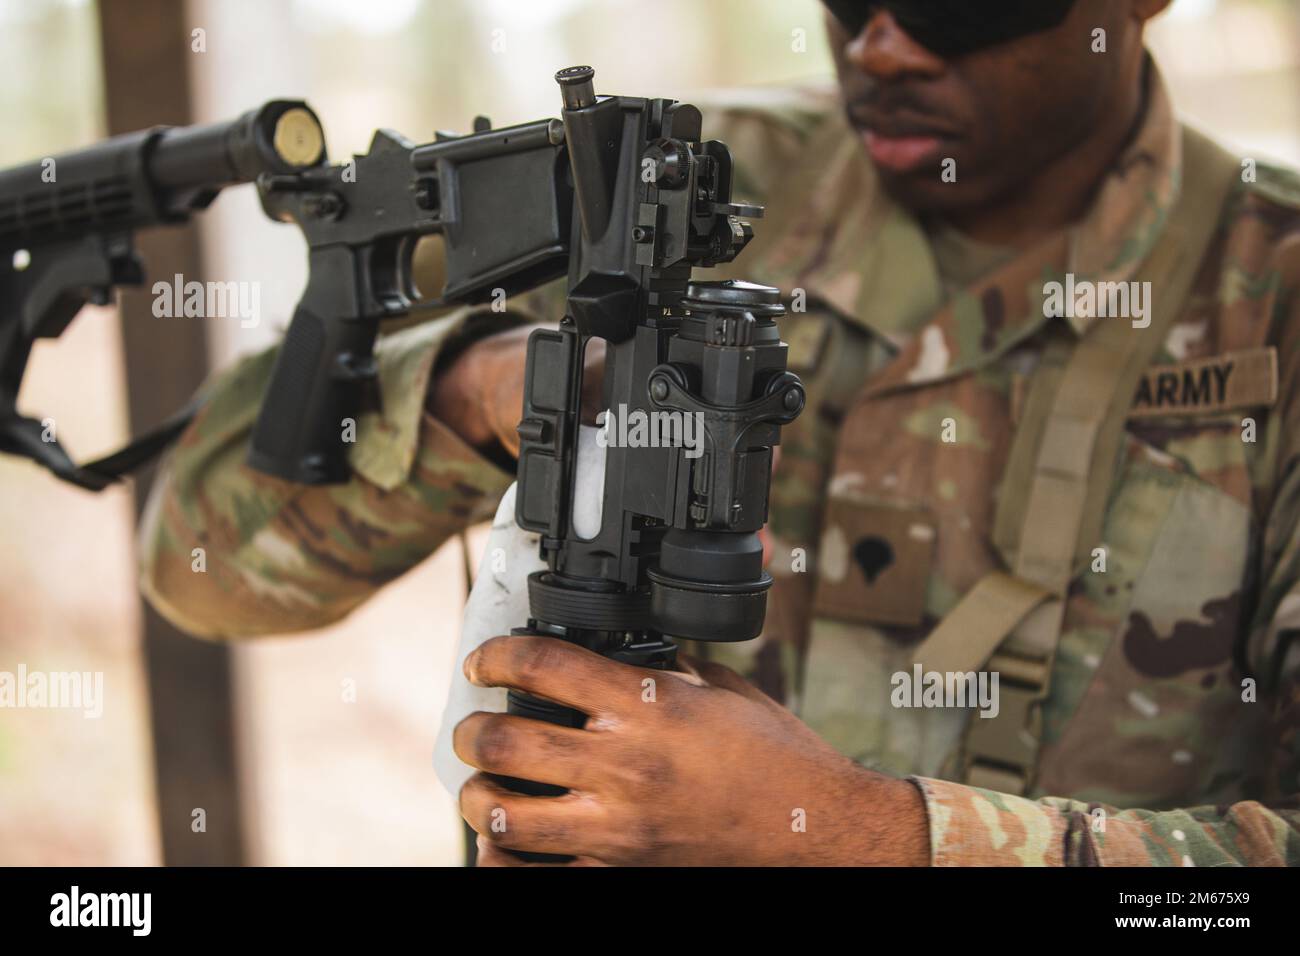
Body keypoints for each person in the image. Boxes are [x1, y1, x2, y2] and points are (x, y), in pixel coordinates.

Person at [138, 0, 1300, 865]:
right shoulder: (652, 187)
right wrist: (478, 394)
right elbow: (200, 566)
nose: (883, 45)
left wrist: (866, 836)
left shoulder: (1274, 295)